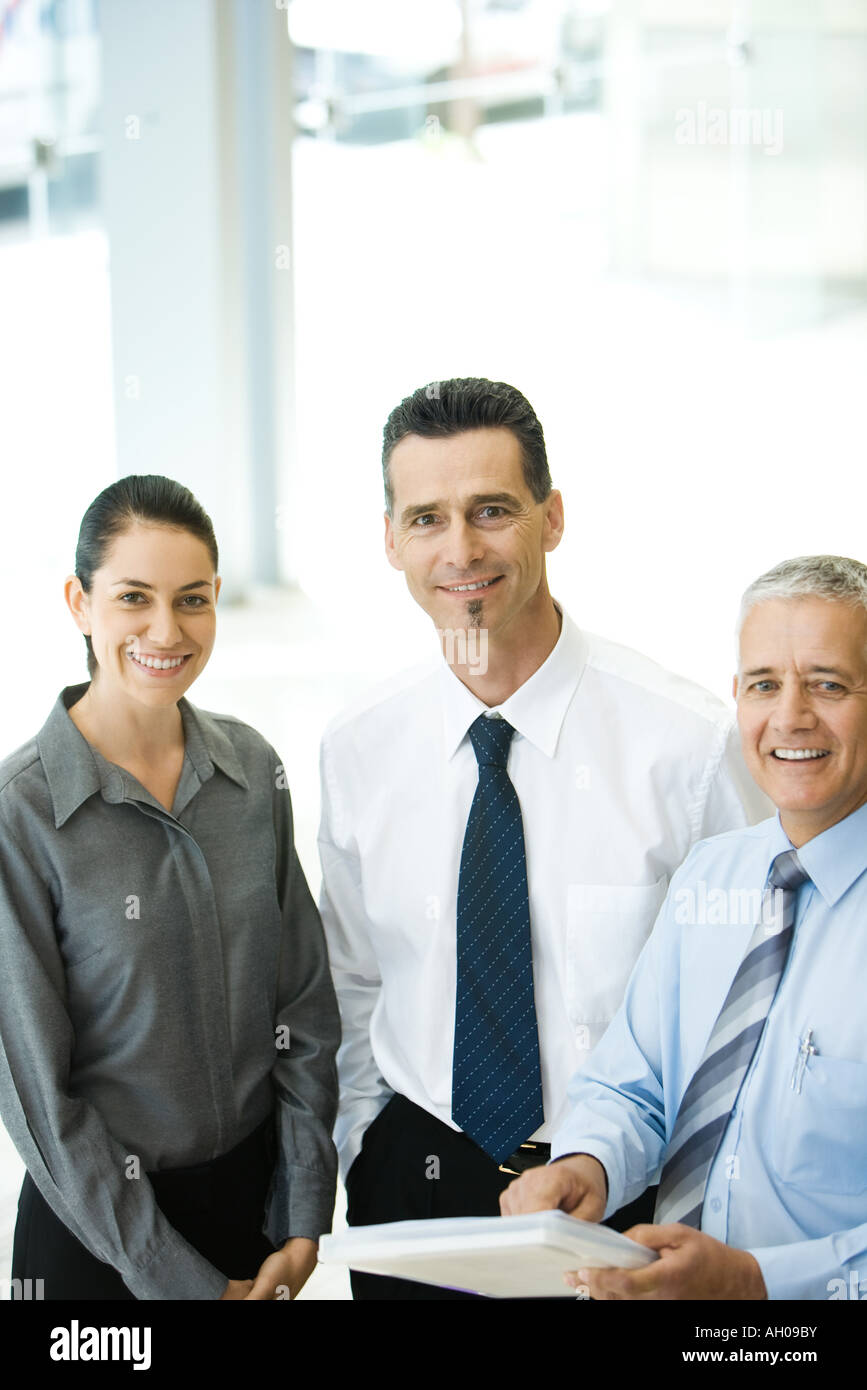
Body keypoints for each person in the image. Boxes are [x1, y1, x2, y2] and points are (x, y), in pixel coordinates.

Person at [317, 377, 771, 1299]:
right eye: (426, 519)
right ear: (390, 538)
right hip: (415, 1186)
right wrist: (365, 1146)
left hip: (621, 1199)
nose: (460, 550)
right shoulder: (357, 745)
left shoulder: (685, 748)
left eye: (491, 511)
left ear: (551, 517)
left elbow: (754, 995)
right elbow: (356, 977)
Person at [0, 475, 340, 1300]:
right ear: (80, 603)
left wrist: (301, 1213)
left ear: (218, 597)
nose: (166, 630)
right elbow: (42, 1099)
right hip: (100, 1244)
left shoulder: (253, 772)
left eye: (192, 599)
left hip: (254, 1226)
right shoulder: (23, 815)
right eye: (133, 598)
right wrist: (175, 1280)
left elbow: (301, 1006)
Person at [501, 553, 867, 1301]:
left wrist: (754, 1283)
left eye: (827, 685)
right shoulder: (710, 876)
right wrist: (588, 1164)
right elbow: (634, 1084)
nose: (790, 716)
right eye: (764, 685)